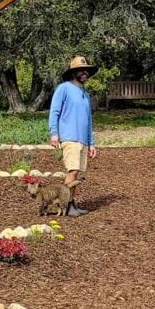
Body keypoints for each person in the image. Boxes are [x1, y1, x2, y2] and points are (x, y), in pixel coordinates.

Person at [48, 55, 98, 216]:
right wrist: (54, 133)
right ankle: (65, 206)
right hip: (70, 137)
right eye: (80, 70)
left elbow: (88, 120)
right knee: (73, 171)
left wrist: (91, 143)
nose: (84, 73)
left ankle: (71, 205)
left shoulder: (85, 94)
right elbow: (54, 111)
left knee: (76, 173)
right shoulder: (64, 88)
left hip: (83, 139)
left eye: (86, 70)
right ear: (73, 72)